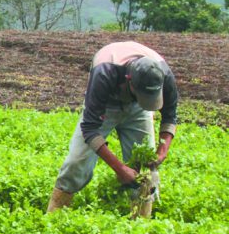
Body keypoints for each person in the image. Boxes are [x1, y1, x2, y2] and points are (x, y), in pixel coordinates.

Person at [48, 40, 179, 217]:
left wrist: (162, 151)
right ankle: (54, 217)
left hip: (137, 110)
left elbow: (170, 116)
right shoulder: (104, 73)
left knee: (147, 172)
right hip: (106, 105)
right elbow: (90, 128)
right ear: (129, 80)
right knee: (76, 162)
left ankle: (141, 223)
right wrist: (119, 169)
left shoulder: (163, 75)